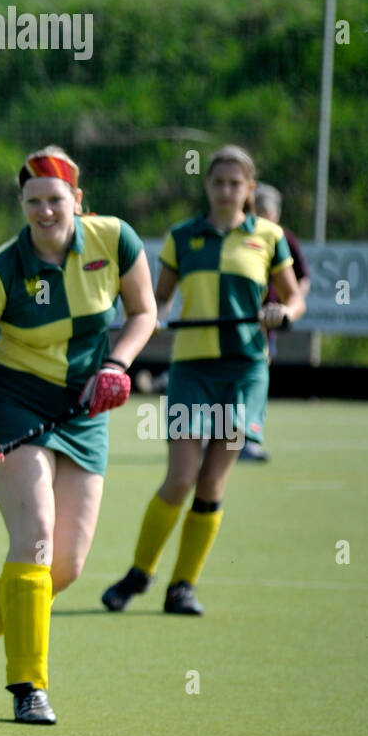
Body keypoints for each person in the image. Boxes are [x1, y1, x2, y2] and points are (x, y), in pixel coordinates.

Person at [0, 147, 156, 724]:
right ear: (21, 205)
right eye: (33, 202)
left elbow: (144, 312)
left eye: (55, 200)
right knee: (37, 536)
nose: (45, 212)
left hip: (84, 406)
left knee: (64, 568)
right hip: (15, 401)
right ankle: (29, 687)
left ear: (77, 199)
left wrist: (116, 365)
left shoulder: (116, 240)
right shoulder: (0, 271)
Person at [101, 145, 305, 617]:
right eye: (218, 182)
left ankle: (183, 587)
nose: (226, 190)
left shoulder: (269, 237)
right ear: (207, 186)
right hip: (192, 369)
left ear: (250, 189)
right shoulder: (183, 237)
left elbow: (295, 300)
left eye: (236, 183)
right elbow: (159, 300)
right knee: (180, 479)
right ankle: (139, 573)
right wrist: (148, 323)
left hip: (243, 369)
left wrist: (282, 312)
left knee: (212, 483)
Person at [239, 182, 311, 462]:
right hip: (235, 322)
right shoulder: (238, 234)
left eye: (266, 212)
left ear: (276, 214)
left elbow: (302, 281)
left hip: (264, 325)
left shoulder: (282, 238)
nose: (261, 218)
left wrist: (286, 308)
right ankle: (217, 440)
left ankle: (247, 440)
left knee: (253, 381)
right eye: (257, 211)